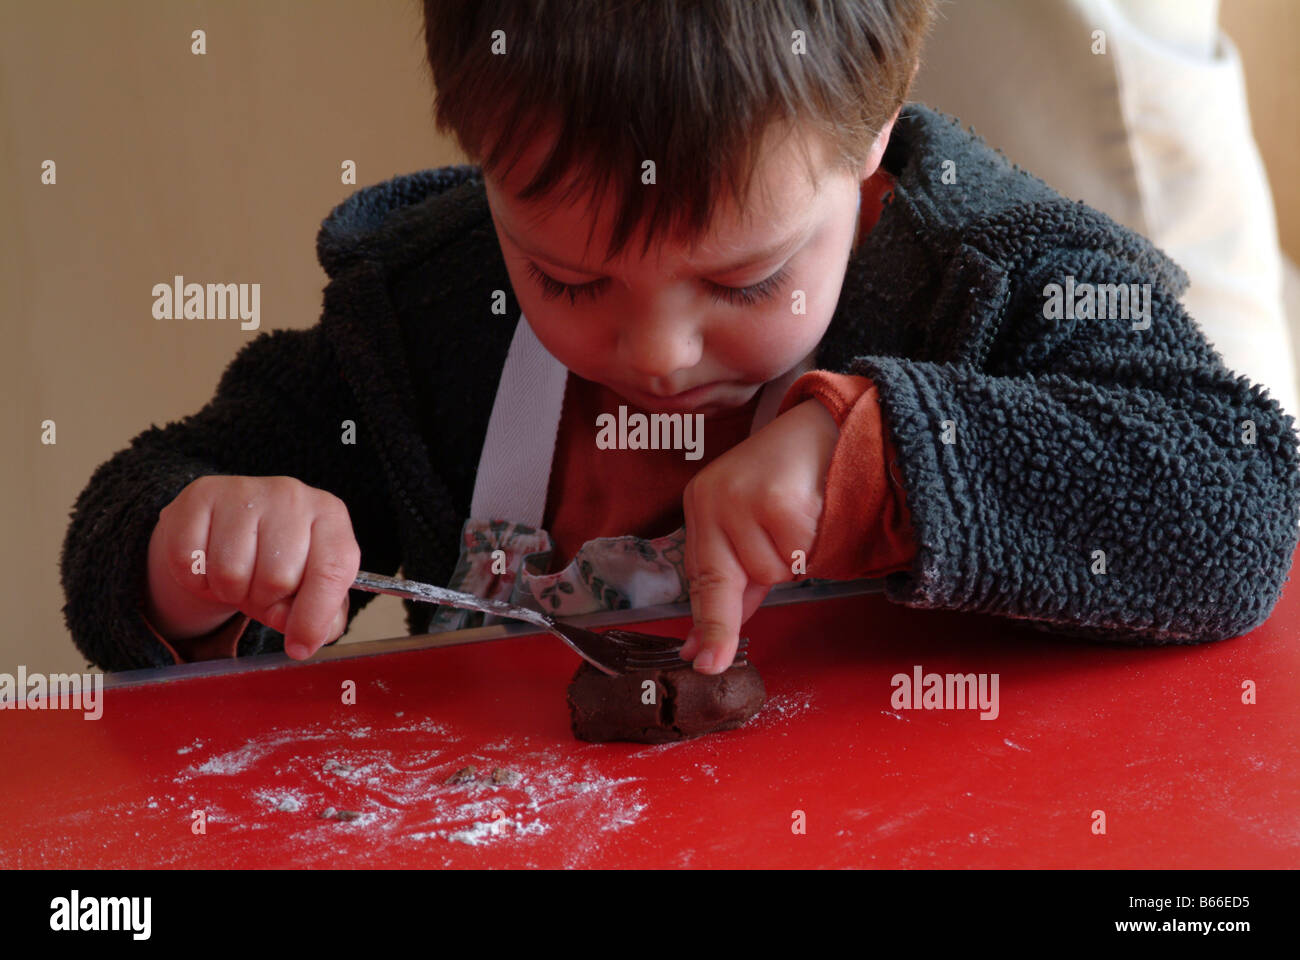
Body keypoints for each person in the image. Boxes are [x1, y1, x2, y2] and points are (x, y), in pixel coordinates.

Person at [60, 0, 1299, 676]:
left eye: (747, 281)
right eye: (562, 275)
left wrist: (875, 460)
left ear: (868, 145)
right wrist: (197, 543)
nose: (652, 354)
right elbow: (133, 508)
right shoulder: (425, 316)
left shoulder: (984, 272)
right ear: (479, 164)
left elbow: (1237, 494)